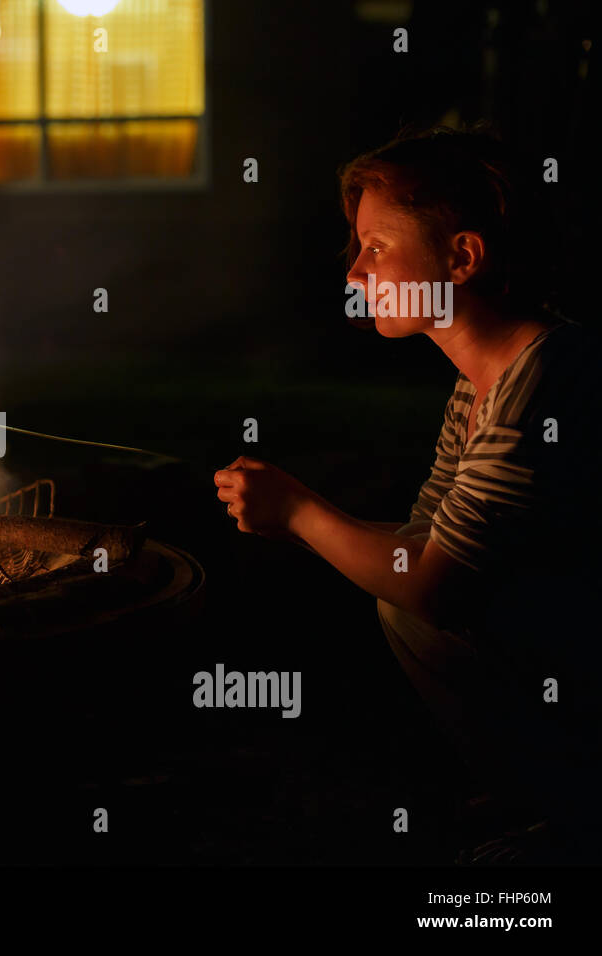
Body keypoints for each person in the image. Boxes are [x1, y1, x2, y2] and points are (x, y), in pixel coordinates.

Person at [213, 127, 601, 862]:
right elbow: (424, 541)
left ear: (462, 256)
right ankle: (548, 796)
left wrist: (299, 512)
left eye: (377, 247)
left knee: (420, 604)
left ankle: (576, 811)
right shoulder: (481, 384)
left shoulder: (546, 386)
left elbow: (435, 582)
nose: (355, 272)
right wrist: (310, 525)